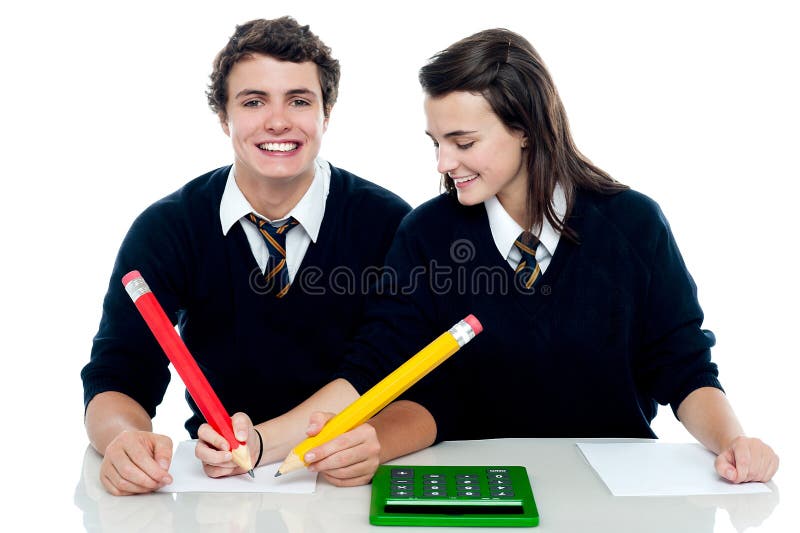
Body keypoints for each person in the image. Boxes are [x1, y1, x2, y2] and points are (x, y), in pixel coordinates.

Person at [198, 27, 779, 487]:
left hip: (614, 488)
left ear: (525, 128)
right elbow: (377, 369)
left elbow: (684, 367)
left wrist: (733, 442)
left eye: (464, 142)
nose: (444, 163)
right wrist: (262, 442)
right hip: (471, 482)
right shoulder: (425, 234)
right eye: (436, 143)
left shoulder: (631, 224)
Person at [81, 16, 411, 496]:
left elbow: (392, 372)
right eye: (253, 101)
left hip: (348, 480)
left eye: (299, 101)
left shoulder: (389, 225)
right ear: (223, 117)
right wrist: (122, 439)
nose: (277, 121)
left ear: (327, 112)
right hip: (218, 490)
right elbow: (118, 372)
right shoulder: (168, 228)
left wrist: (278, 442)